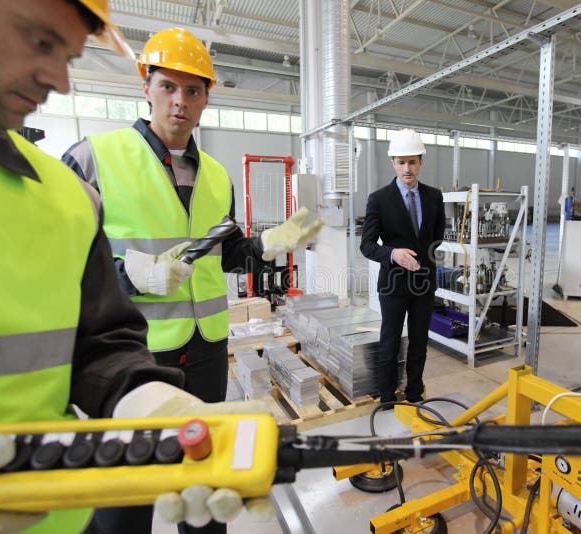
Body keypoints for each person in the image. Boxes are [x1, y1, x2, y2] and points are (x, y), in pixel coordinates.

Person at [61, 26, 321, 534]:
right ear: (146, 86)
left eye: (193, 90)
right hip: (129, 354)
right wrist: (130, 275)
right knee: (129, 491)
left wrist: (268, 245)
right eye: (168, 86)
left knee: (207, 480)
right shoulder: (94, 158)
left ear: (206, 98)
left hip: (205, 350)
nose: (180, 101)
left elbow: (222, 257)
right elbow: (53, 264)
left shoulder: (218, 176)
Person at [360, 129, 445, 406]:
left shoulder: (434, 197)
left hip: (423, 283)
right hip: (393, 284)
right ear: (393, 163)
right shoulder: (379, 199)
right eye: (401, 162)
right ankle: (387, 397)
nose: (406, 169)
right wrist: (394, 254)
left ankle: (414, 393)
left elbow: (438, 236)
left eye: (412, 162)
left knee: (419, 342)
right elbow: (367, 245)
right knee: (390, 342)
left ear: (421, 162)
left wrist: (423, 259)